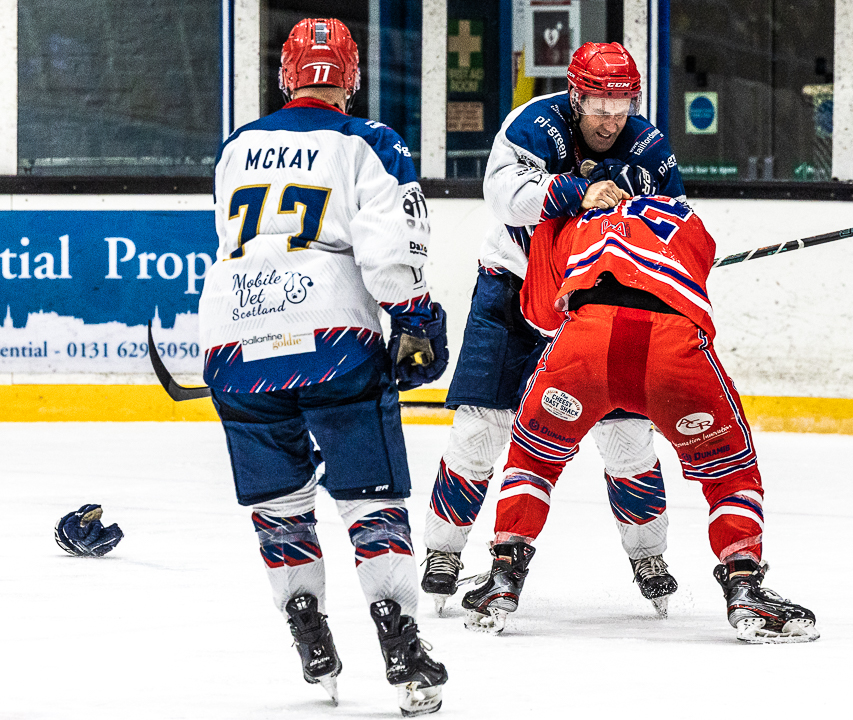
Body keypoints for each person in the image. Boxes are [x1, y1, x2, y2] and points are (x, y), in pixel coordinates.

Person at [197, 18, 448, 716]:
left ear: (284, 76)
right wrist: (417, 316)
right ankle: (398, 638)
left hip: (234, 342)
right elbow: (390, 248)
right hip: (331, 335)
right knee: (370, 500)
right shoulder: (370, 142)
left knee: (280, 506)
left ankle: (304, 622)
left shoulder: (235, 147)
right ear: (352, 77)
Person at [459, 194, 820, 644]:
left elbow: (539, 312)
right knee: (731, 474)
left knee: (533, 460)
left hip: (586, 347)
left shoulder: (571, 220)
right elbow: (696, 270)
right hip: (674, 352)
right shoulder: (687, 216)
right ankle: (744, 584)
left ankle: (504, 575)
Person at [422, 42, 686, 618]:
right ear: (575, 94)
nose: (611, 116)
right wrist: (576, 192)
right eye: (598, 102)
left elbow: (674, 224)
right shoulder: (533, 124)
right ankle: (443, 551)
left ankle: (649, 555)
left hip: (596, 303)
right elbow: (504, 196)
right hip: (513, 291)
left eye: (622, 103)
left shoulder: (650, 150)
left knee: (627, 433)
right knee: (480, 429)